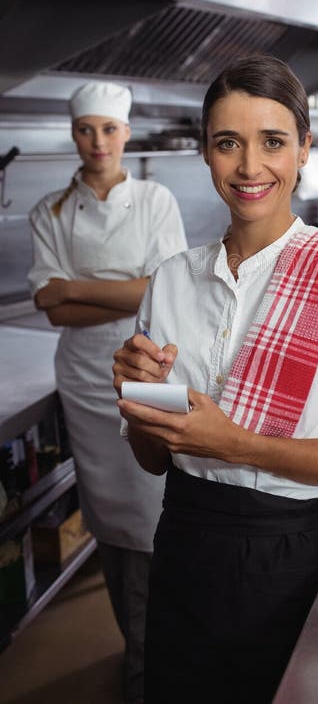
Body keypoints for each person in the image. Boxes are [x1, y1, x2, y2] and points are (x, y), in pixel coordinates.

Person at [112, 54, 318, 704]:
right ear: (206, 153)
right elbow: (154, 458)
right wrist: (136, 403)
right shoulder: (171, 281)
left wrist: (235, 443)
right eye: (228, 143)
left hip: (289, 554)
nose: (250, 167)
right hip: (184, 545)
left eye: (272, 141)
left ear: (303, 148)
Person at [28, 81, 187, 704]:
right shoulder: (52, 210)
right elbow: (50, 307)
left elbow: (163, 291)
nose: (98, 142)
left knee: (160, 507)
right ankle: (140, 660)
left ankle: (166, 655)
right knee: (114, 522)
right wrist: (123, 290)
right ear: (74, 135)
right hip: (84, 381)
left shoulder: (154, 198)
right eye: (85, 130)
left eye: (109, 130)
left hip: (151, 368)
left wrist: (76, 287)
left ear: (126, 134)